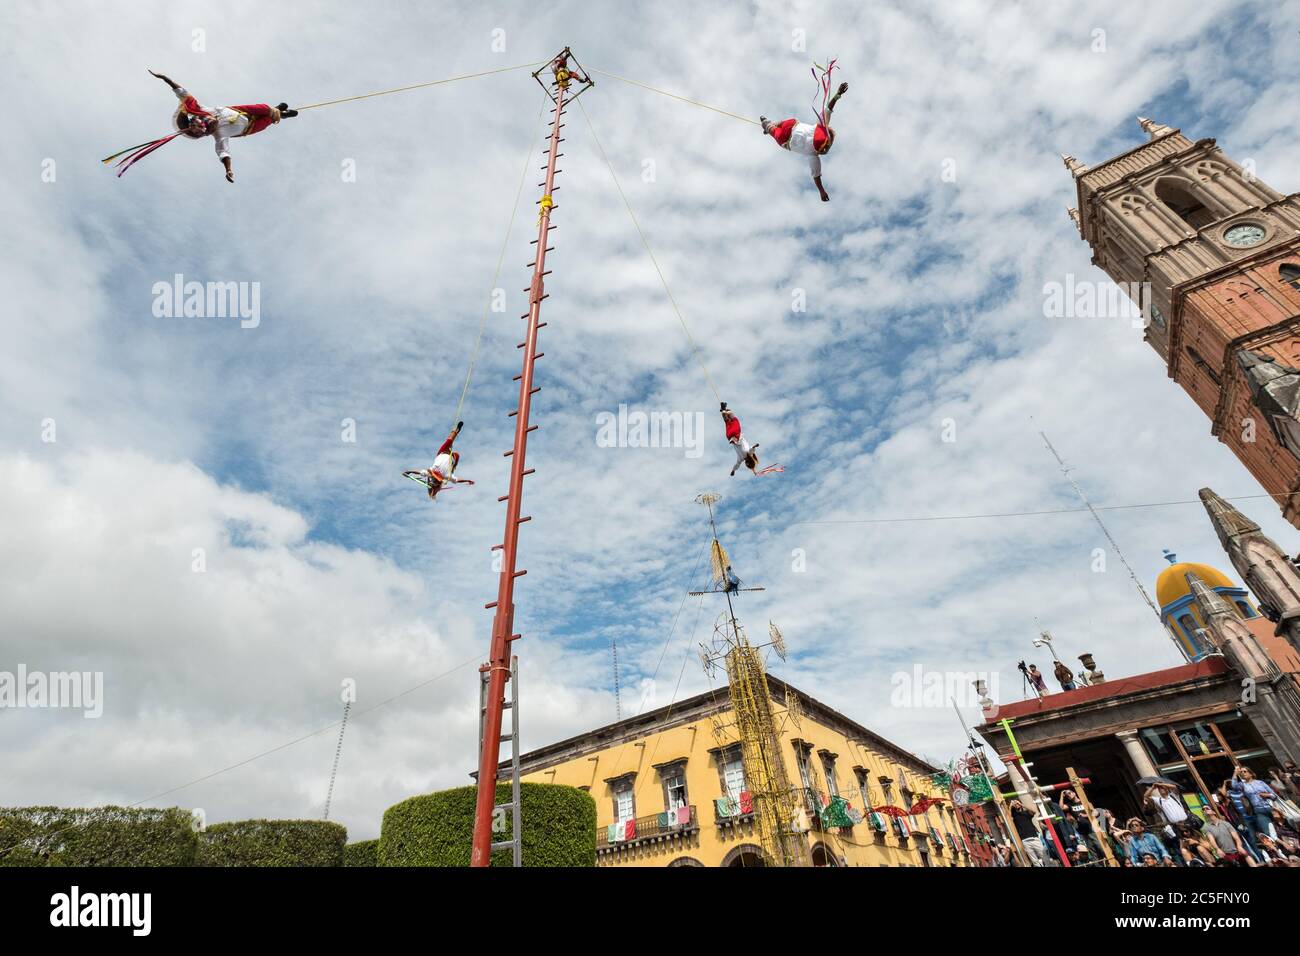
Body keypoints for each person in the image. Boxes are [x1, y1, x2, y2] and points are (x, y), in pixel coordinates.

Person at [143, 70, 297, 181]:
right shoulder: (219, 136)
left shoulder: (203, 110)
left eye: (208, 122)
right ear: (208, 132)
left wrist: (165, 79)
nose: (211, 124)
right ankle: (281, 114)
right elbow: (224, 154)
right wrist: (228, 170)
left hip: (241, 112)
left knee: (265, 109)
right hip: (249, 127)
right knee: (268, 119)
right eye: (209, 128)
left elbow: (183, 94)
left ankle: (276, 109)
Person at [760, 81, 848, 202]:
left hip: (791, 125)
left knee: (779, 126)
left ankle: (770, 124)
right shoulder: (813, 154)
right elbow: (816, 176)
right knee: (773, 131)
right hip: (786, 139)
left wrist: (838, 95)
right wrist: (821, 191)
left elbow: (829, 108)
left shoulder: (821, 127)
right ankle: (768, 125)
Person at [404, 422, 473, 501]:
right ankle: (455, 433)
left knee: (449, 440)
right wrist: (467, 480)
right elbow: (457, 480)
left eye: (434, 481)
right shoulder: (446, 476)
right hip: (452, 457)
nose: (435, 480)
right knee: (452, 448)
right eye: (436, 482)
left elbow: (419, 472)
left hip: (442, 452)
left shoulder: (430, 473)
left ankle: (457, 430)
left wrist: (409, 472)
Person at [1230, 766, 1279, 852]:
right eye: (1241, 772)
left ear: (1251, 773)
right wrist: (1235, 772)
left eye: (1245, 771)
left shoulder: (1260, 782)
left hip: (1272, 809)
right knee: (1267, 833)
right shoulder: (1243, 785)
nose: (1243, 773)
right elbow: (1233, 785)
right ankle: (1277, 852)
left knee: (1280, 829)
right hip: (1259, 811)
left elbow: (1274, 795)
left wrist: (1267, 795)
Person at [720, 403, 760, 476]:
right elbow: (737, 465)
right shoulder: (741, 458)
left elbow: (752, 450)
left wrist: (755, 446)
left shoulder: (747, 454)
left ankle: (726, 411)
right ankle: (724, 410)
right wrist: (733, 471)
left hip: (736, 434)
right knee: (727, 422)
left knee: (734, 420)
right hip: (730, 436)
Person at [1008, 800, 1047, 867]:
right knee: (1035, 861)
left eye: (1017, 803)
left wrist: (1022, 804)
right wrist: (1011, 805)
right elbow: (1008, 817)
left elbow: (1034, 811)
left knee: (1044, 856)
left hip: (1034, 838)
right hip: (1024, 840)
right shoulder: (1014, 816)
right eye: (1015, 804)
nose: (1016, 804)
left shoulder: (1026, 813)